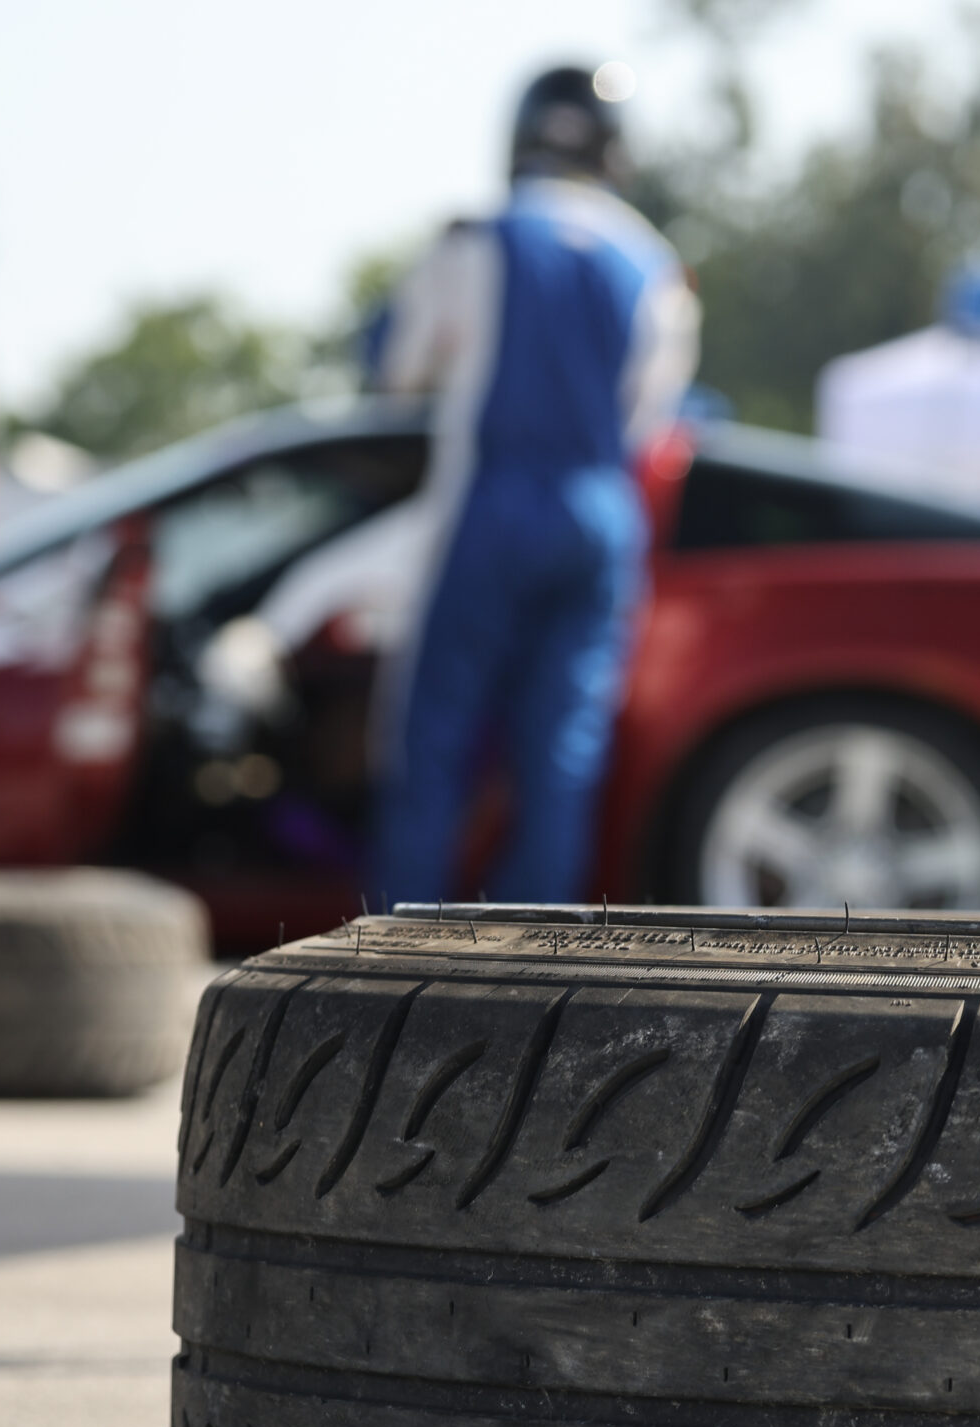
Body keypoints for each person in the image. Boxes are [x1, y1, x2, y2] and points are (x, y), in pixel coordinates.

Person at [367, 64, 698, 908]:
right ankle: (534, 977)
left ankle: (397, 962)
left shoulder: (478, 237)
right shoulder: (652, 262)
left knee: (431, 741)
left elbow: (396, 374)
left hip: (491, 502)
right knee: (561, 756)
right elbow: (649, 414)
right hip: (599, 512)